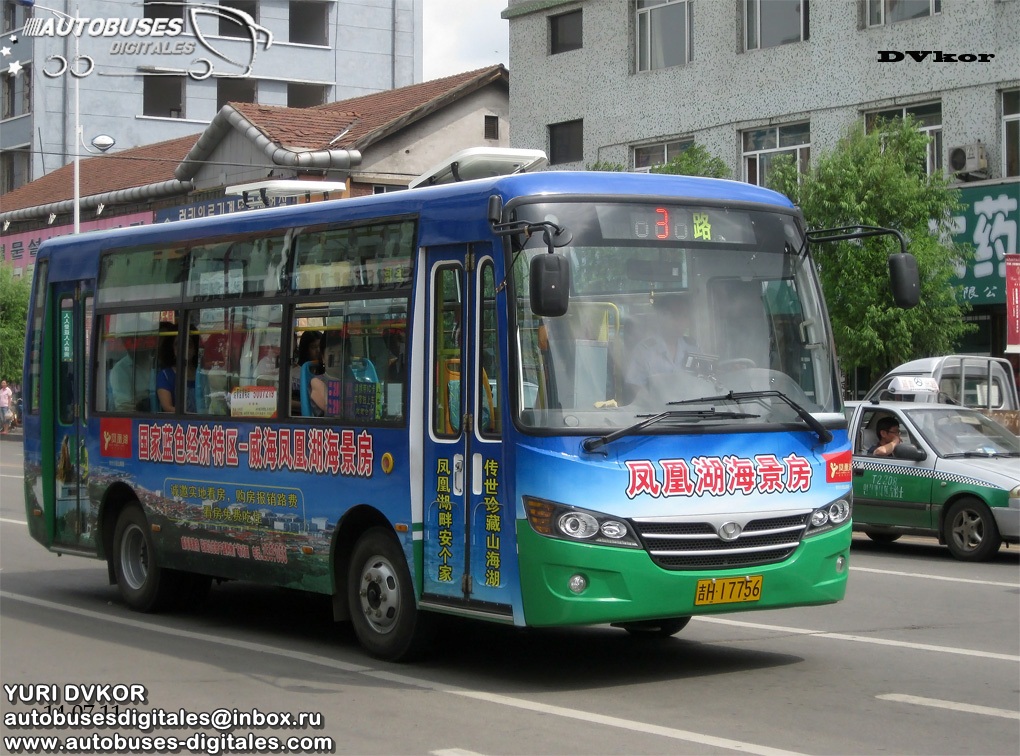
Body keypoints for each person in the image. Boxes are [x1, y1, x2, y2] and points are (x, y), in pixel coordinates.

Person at [624, 294, 697, 401]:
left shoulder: (693, 349)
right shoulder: (644, 351)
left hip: (691, 412)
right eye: (676, 315)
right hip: (656, 414)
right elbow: (634, 387)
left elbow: (704, 384)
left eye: (685, 316)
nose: (681, 321)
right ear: (662, 317)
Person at [156, 324, 199, 413]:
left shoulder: (201, 374)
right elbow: (167, 407)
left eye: (189, 344)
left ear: (195, 349)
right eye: (177, 344)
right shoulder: (166, 375)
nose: (183, 348)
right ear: (172, 349)